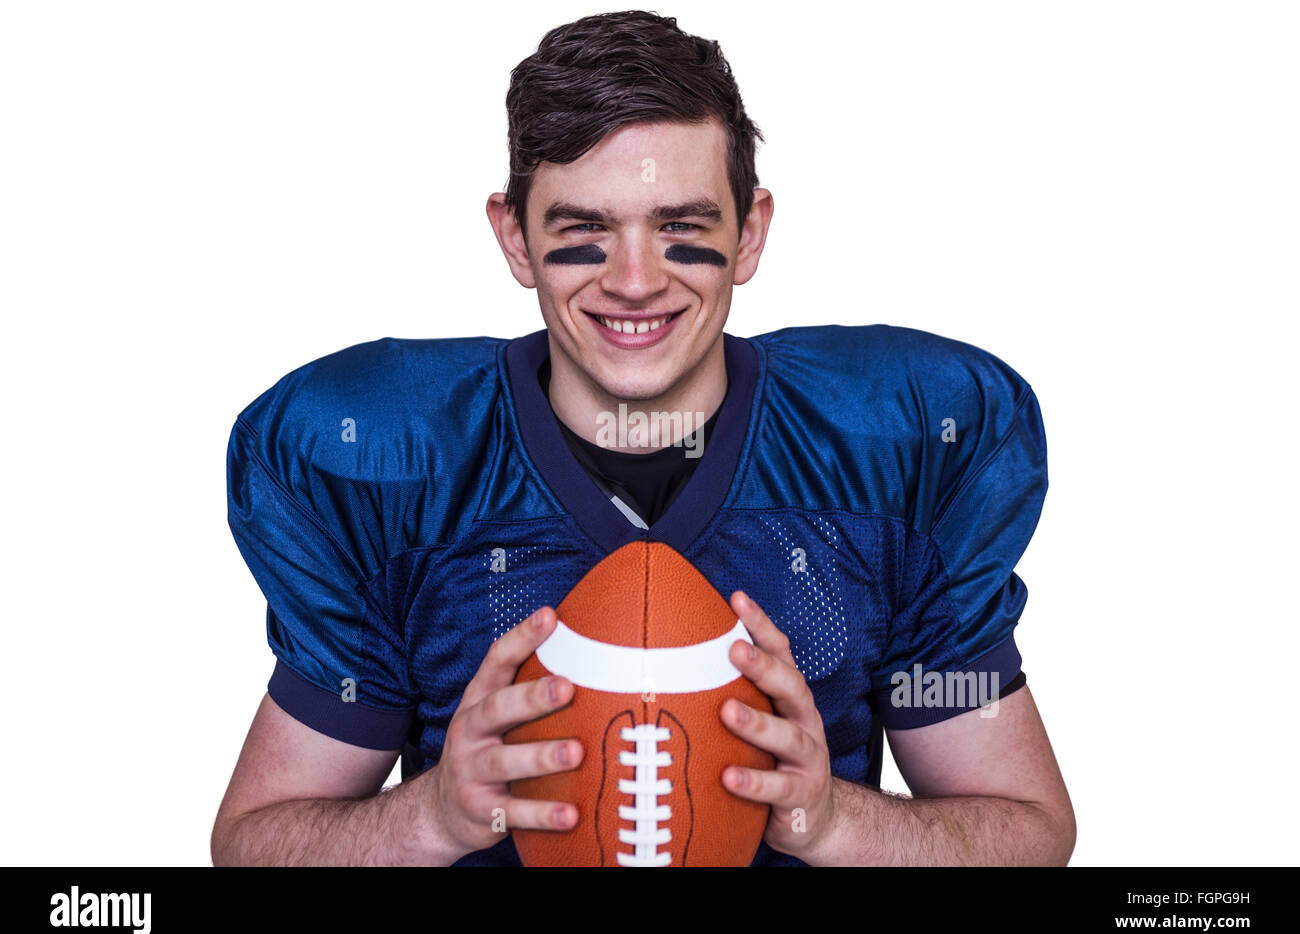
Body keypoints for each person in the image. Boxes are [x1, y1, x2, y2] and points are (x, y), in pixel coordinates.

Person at [212, 9, 1075, 866]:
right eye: (584, 231)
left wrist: (838, 819)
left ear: (751, 232)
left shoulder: (895, 447)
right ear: (514, 237)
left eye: (682, 229)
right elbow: (253, 842)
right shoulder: (388, 467)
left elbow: (1029, 830)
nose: (635, 281)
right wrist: (428, 818)